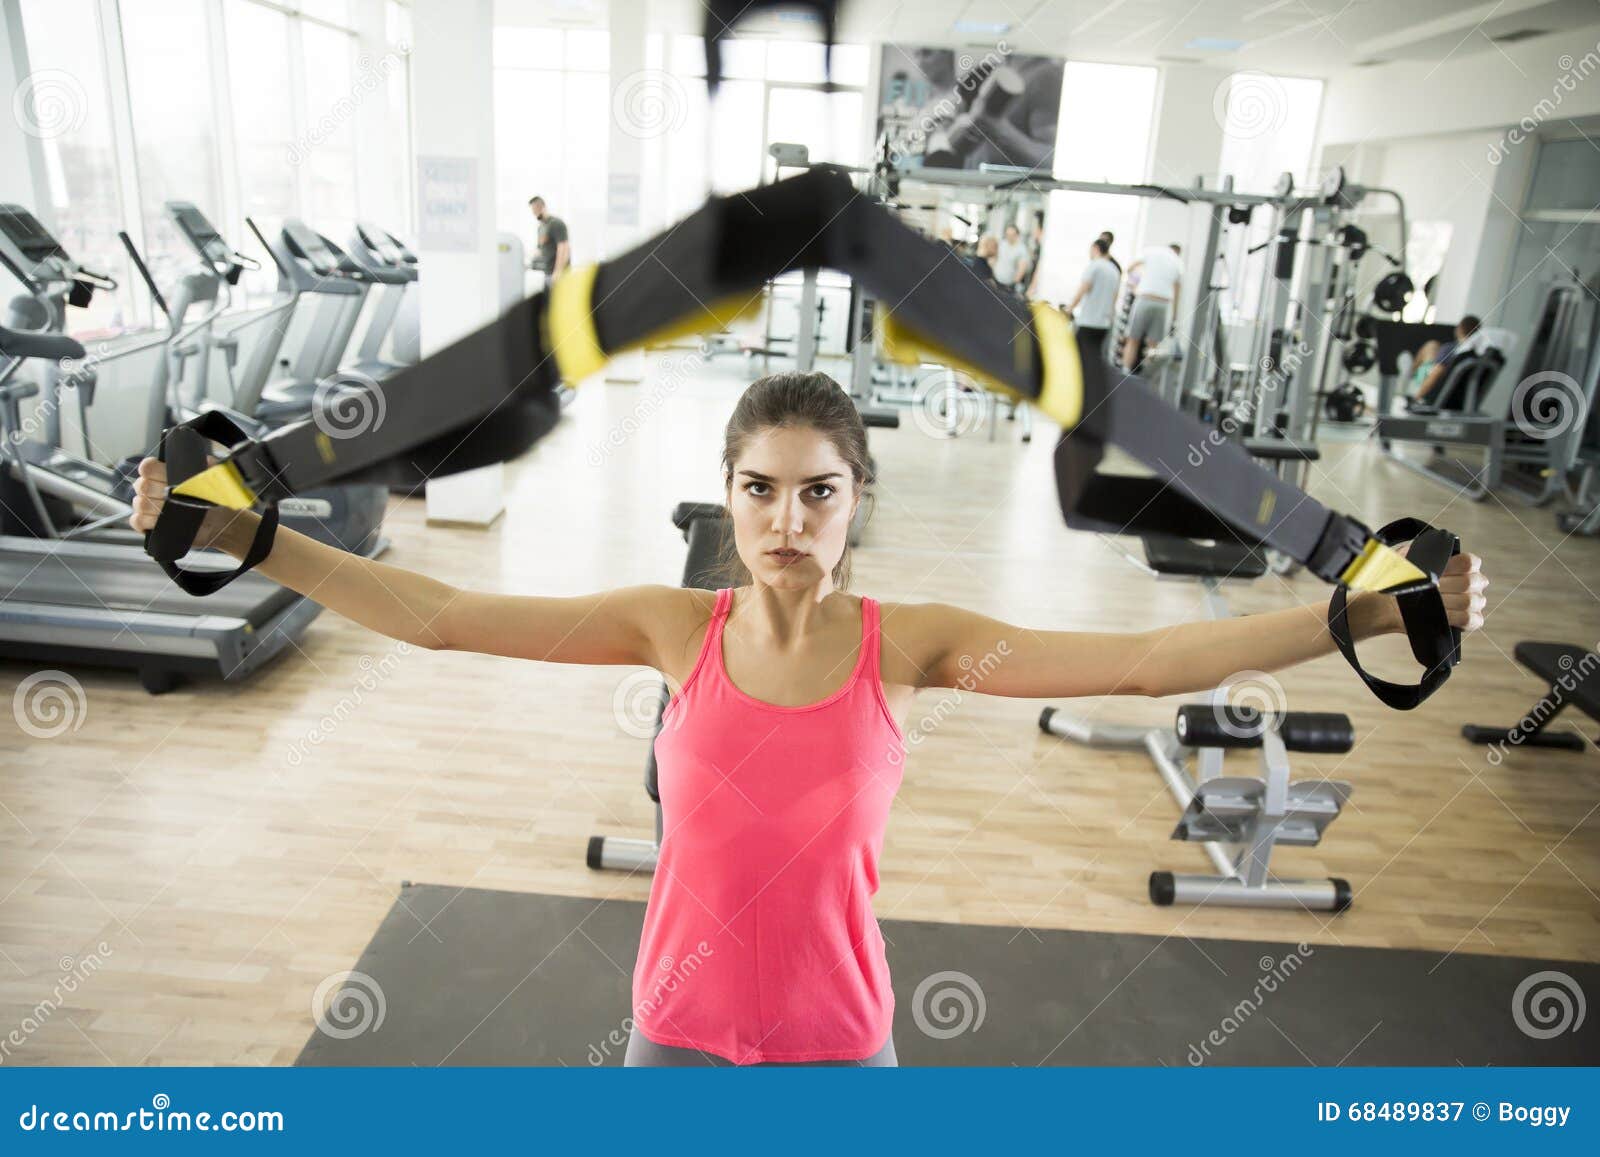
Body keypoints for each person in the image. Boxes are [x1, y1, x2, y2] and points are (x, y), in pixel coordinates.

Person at [126, 372, 1488, 1067]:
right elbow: (438, 616)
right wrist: (257, 543)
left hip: (842, 1047)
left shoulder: (914, 649)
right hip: (666, 1035)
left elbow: (1138, 665)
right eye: (763, 489)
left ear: (857, 501)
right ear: (728, 495)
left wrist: (1356, 615)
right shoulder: (674, 628)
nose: (788, 520)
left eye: (819, 492)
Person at [1122, 242, 1182, 371]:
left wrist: (1134, 285)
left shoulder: (1152, 251)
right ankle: (1145, 378)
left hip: (1145, 299)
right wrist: (1174, 317)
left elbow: (1129, 269)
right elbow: (1177, 292)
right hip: (1163, 304)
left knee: (1133, 340)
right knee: (1153, 345)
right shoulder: (1177, 262)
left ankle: (1125, 372)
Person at [1061, 237, 1120, 365]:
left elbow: (1082, 290)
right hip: (1104, 325)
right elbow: (1114, 298)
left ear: (1095, 249)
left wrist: (1069, 308)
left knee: (1077, 358)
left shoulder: (1094, 266)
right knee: (1093, 359)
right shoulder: (1115, 271)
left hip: (1088, 322)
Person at [1410, 315, 1482, 406]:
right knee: (1433, 348)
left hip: (1435, 392)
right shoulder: (1476, 354)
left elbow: (1436, 374)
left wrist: (1416, 398)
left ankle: (1409, 373)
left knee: (1431, 346)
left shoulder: (1452, 349)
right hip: (1457, 395)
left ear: (1459, 329)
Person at [529, 196, 569, 282]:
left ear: (543, 207)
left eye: (536, 209)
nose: (534, 213)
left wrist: (558, 271)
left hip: (557, 273)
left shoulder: (556, 223)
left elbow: (563, 248)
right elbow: (540, 248)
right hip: (547, 272)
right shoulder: (541, 227)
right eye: (533, 210)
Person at [993, 224, 1029, 290]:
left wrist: (1014, 284)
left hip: (1009, 285)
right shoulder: (1001, 244)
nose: (1009, 237)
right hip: (996, 280)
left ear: (1017, 235)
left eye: (1012, 235)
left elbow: (1022, 268)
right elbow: (994, 259)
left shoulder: (1022, 249)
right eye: (1007, 234)